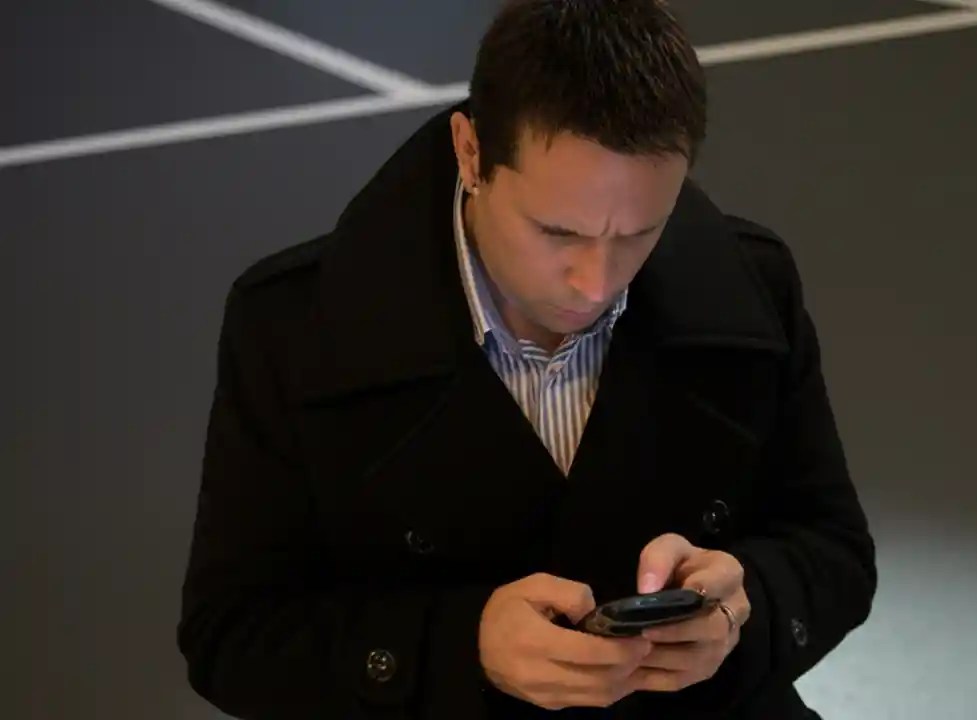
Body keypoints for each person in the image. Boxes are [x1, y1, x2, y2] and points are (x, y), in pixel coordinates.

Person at [176, 0, 877, 718]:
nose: (597, 283)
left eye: (641, 232)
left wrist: (744, 605)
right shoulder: (292, 329)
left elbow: (835, 551)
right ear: (471, 152)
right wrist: (461, 649)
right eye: (557, 232)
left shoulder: (753, 289)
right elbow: (231, 635)